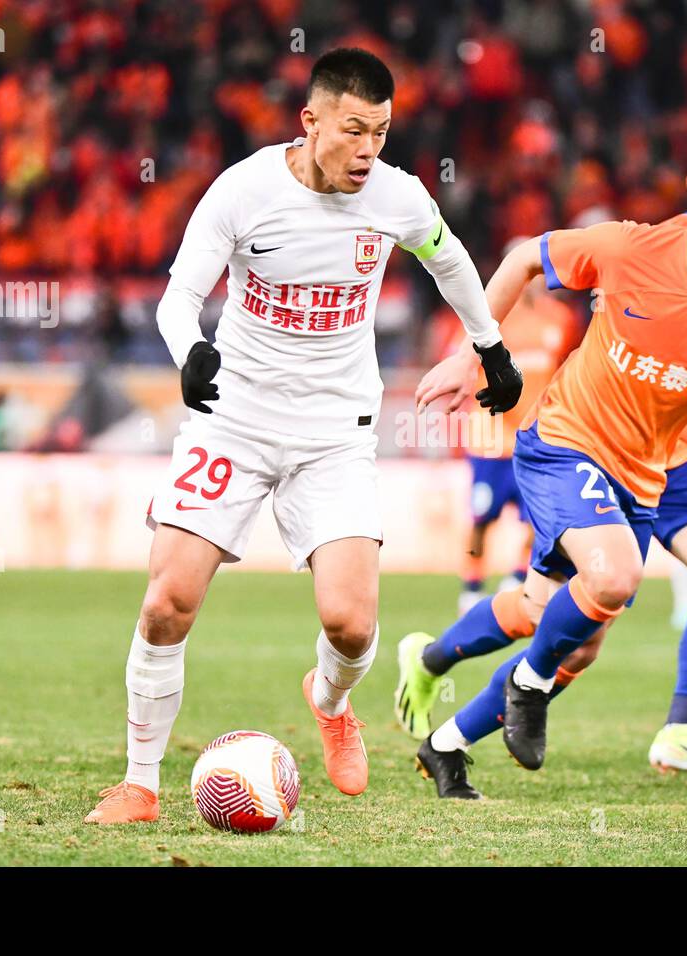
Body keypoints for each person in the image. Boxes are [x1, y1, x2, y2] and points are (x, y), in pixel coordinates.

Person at [84, 48, 522, 824]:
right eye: (354, 131)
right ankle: (140, 784)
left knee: (351, 625)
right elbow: (178, 298)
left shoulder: (397, 196)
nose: (368, 151)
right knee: (167, 603)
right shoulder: (243, 191)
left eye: (381, 134)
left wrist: (487, 346)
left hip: (335, 432)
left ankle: (328, 701)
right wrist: (190, 355)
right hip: (235, 420)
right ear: (310, 120)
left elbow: (447, 260)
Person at [409, 136, 687, 797]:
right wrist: (475, 354)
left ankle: (446, 737)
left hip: (652, 470)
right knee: (615, 576)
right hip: (564, 444)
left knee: (572, 625)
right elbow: (523, 259)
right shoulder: (629, 249)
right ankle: (528, 685)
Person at [452, 257, 582, 618]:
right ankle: (472, 586)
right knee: (481, 518)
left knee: (533, 521)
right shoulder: (485, 320)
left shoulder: (561, 319)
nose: (531, 281)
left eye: (537, 274)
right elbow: (460, 364)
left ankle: (515, 580)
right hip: (489, 439)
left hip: (534, 437)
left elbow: (567, 368)